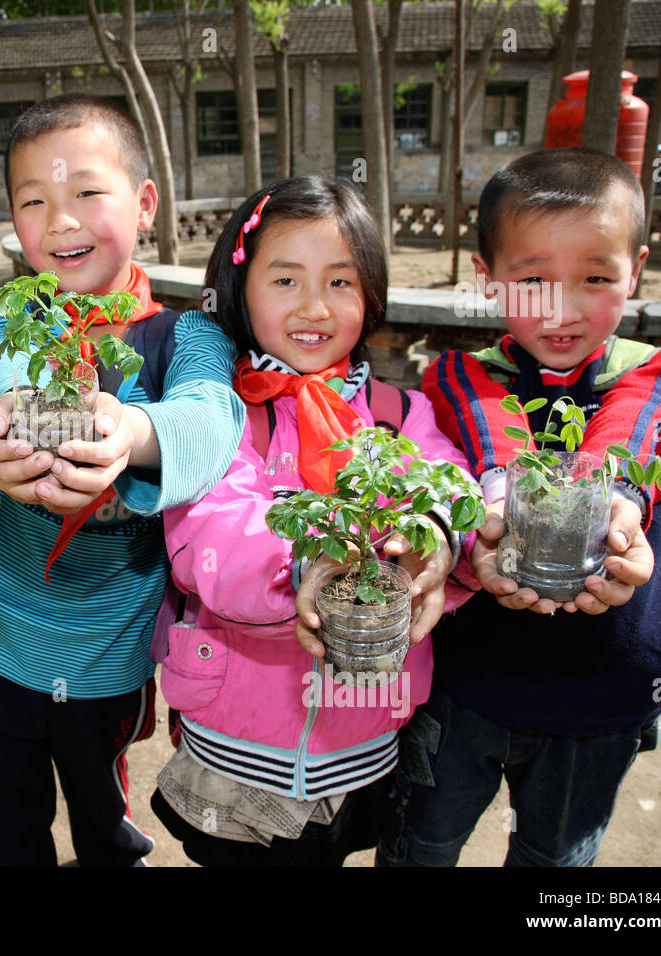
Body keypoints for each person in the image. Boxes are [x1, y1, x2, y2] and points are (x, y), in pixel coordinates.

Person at [0, 94, 244, 866]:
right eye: (34, 201)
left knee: (106, 829)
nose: (61, 221)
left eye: (85, 193)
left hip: (109, 653)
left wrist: (133, 432)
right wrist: (12, 417)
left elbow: (212, 422)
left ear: (144, 205)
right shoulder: (9, 314)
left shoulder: (187, 335)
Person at [384, 147, 661, 866]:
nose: (562, 308)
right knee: (421, 846)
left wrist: (614, 496)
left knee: (556, 861)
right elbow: (484, 413)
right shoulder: (461, 378)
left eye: (596, 278)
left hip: (602, 701)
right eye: (533, 280)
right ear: (488, 279)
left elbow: (645, 414)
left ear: (639, 267)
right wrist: (499, 494)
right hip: (466, 688)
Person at [148, 176, 478, 866]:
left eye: (340, 282)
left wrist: (436, 541)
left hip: (361, 749)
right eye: (285, 280)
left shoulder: (399, 414)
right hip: (236, 757)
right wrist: (302, 565)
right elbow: (206, 535)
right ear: (240, 290)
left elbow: (452, 488)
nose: (314, 307)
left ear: (372, 294)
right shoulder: (216, 414)